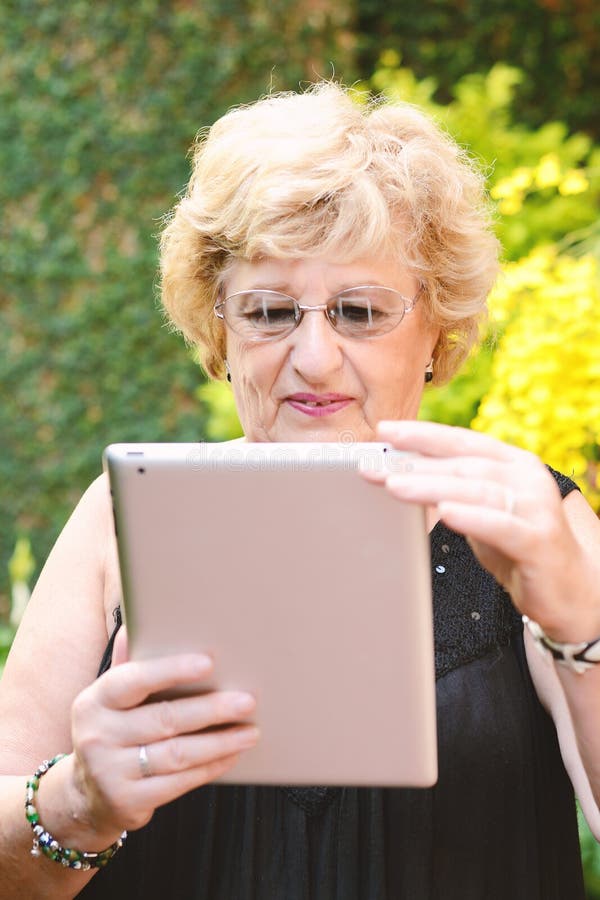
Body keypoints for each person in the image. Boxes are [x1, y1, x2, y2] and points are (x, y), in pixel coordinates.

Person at [1, 81, 599, 900]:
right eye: (272, 310)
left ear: (439, 331)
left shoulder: (529, 514)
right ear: (220, 328)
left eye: (358, 311)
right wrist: (78, 803)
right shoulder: (119, 519)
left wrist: (581, 622)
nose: (313, 358)